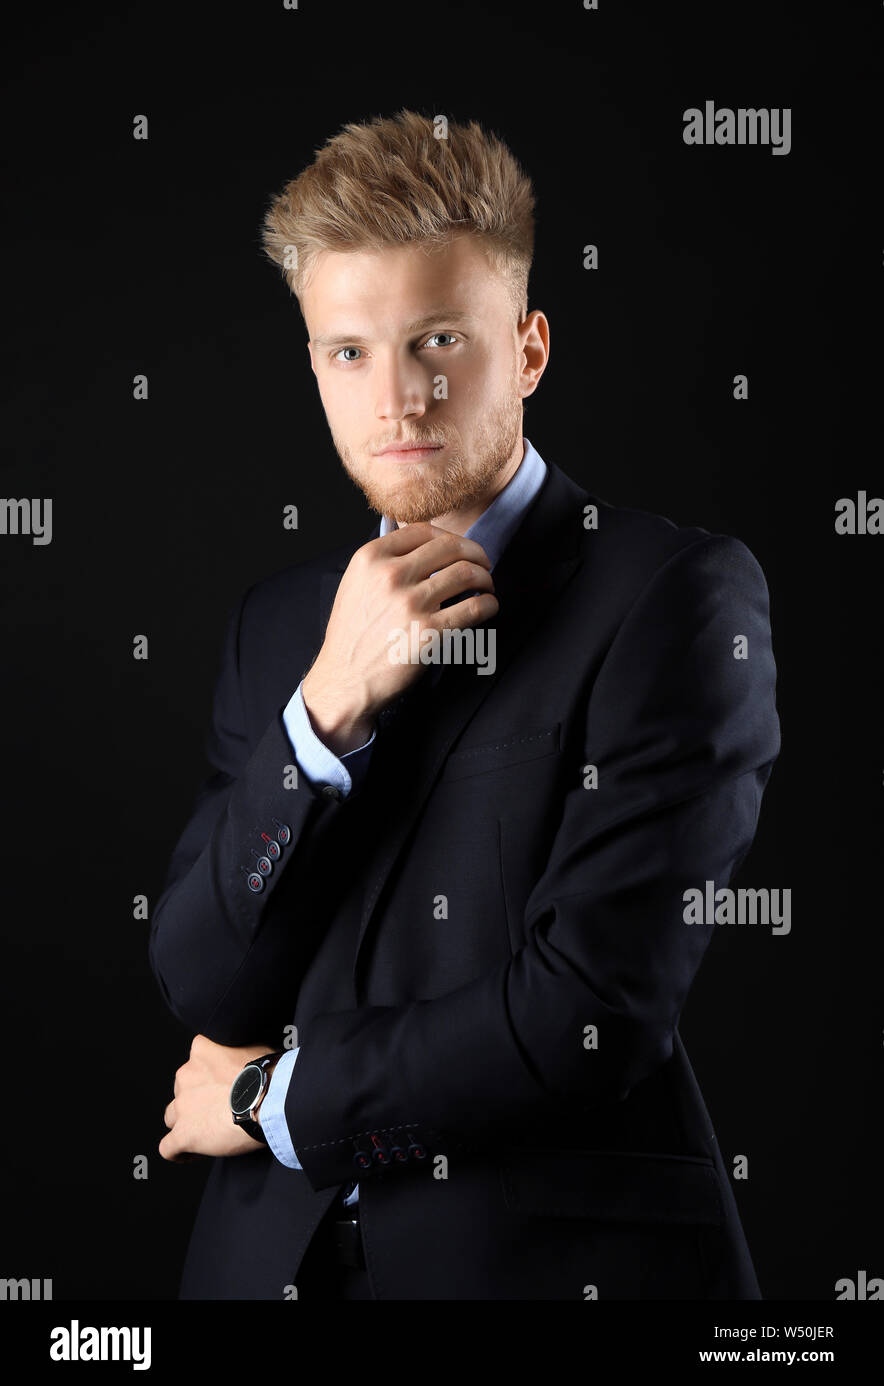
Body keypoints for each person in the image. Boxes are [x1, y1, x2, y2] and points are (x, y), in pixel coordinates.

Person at [152, 109, 780, 1300]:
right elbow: (200, 976)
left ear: (528, 350)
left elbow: (589, 1013)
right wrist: (324, 710)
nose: (396, 398)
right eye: (348, 352)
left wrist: (264, 1098)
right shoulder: (281, 625)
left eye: (437, 339)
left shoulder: (676, 600)